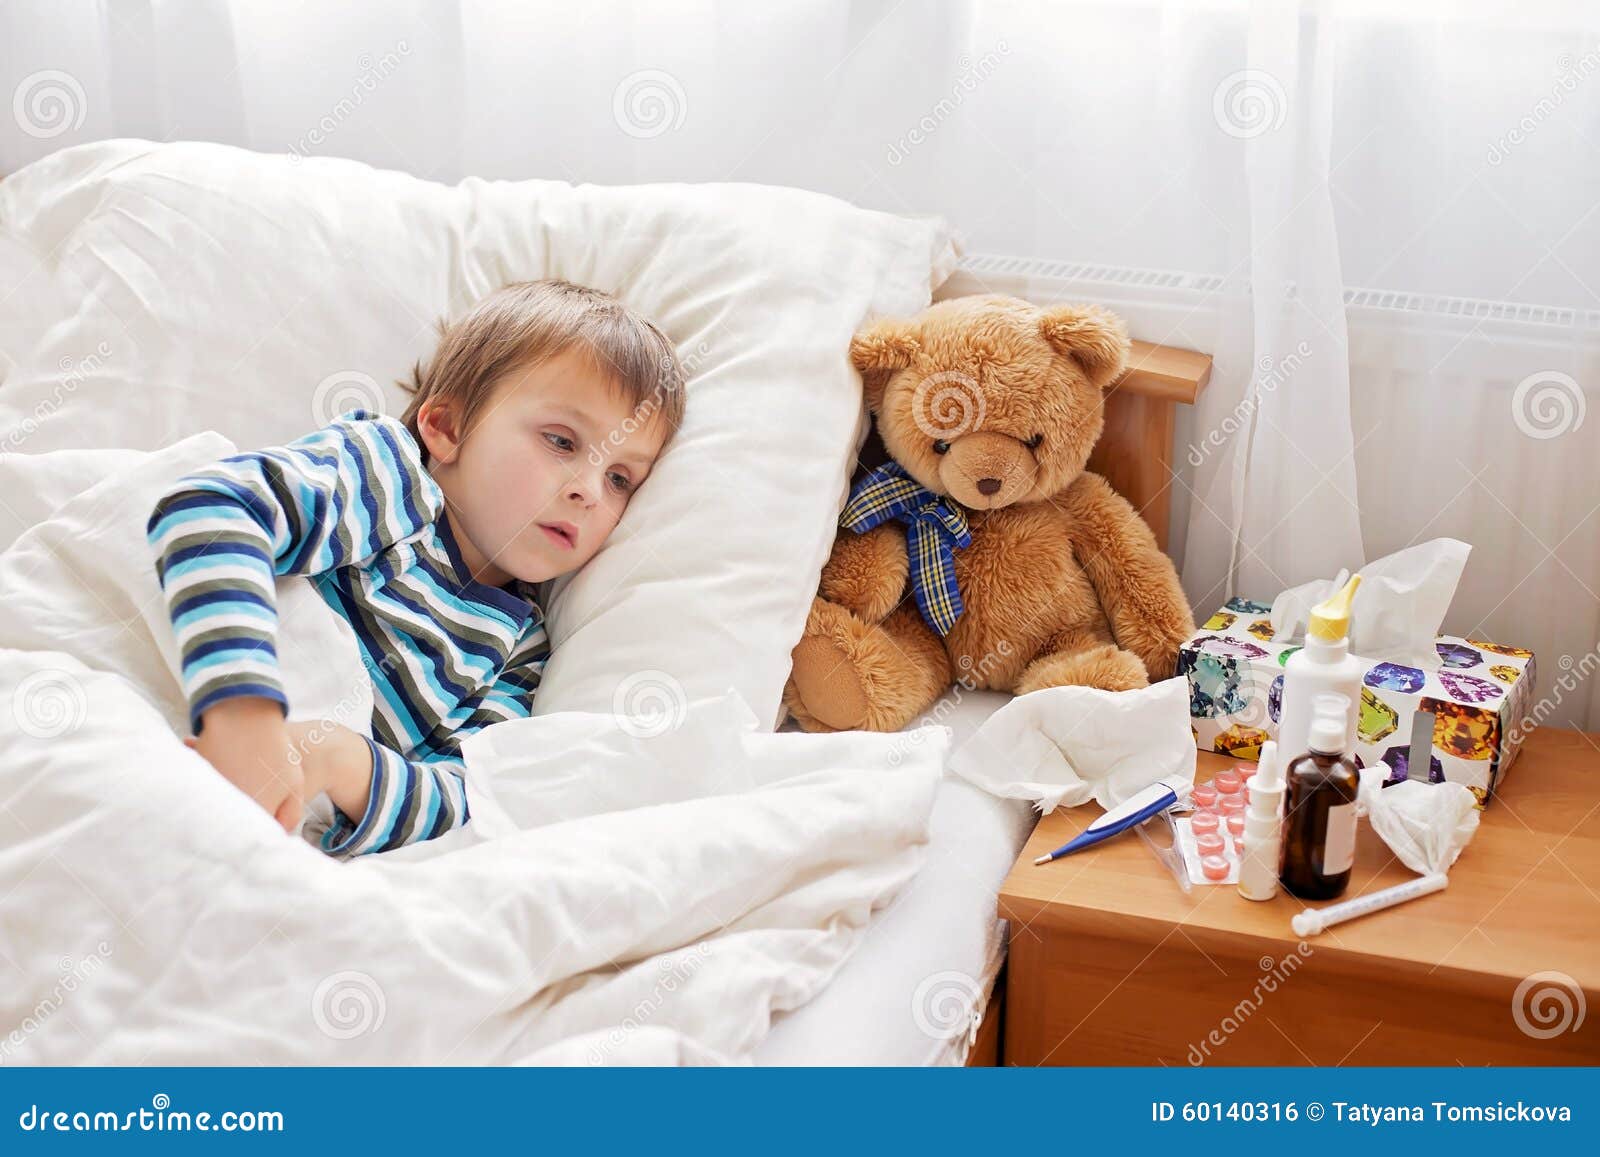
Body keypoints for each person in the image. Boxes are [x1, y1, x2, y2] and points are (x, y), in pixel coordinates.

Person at [147, 279, 684, 857]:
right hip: (197, 705)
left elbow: (471, 798)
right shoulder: (388, 477)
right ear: (448, 429)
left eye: (620, 479)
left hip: (285, 814)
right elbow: (216, 511)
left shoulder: (521, 649)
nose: (588, 491)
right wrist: (241, 712)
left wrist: (341, 763)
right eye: (561, 441)